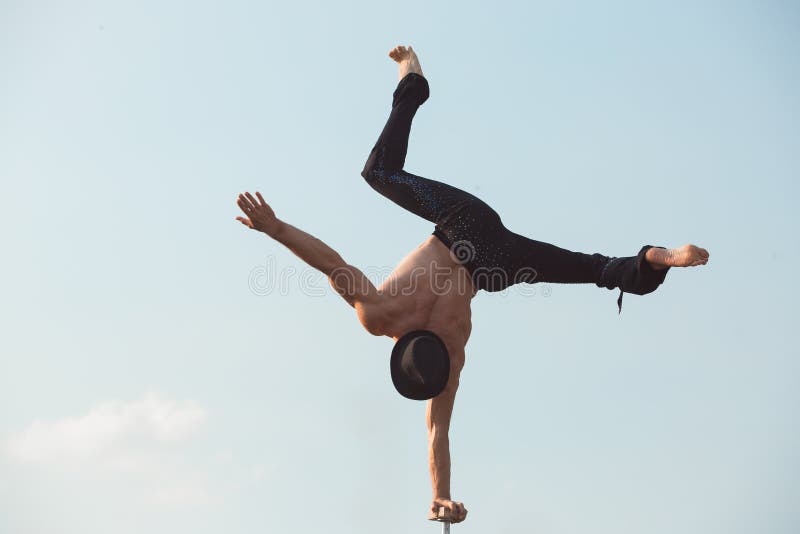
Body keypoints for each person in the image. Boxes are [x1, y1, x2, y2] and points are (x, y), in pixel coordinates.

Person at [235, 45, 709, 524]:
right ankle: (412, 85)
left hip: (494, 266)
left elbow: (436, 432)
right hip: (463, 226)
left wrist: (441, 494)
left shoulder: (450, 352)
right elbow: (331, 262)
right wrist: (276, 229)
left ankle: (651, 261)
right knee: (379, 173)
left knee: (592, 269)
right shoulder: (378, 314)